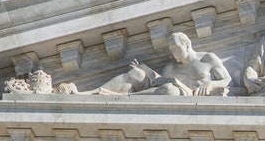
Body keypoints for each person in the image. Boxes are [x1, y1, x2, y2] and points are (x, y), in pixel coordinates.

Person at [97, 32, 231, 96]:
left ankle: (123, 97)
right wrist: (144, 69)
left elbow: (227, 80)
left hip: (194, 97)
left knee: (169, 90)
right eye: (171, 49)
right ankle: (94, 93)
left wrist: (211, 84)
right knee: (137, 74)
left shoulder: (207, 58)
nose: (174, 52)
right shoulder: (171, 67)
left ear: (187, 44)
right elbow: (157, 84)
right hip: (176, 93)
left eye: (176, 48)